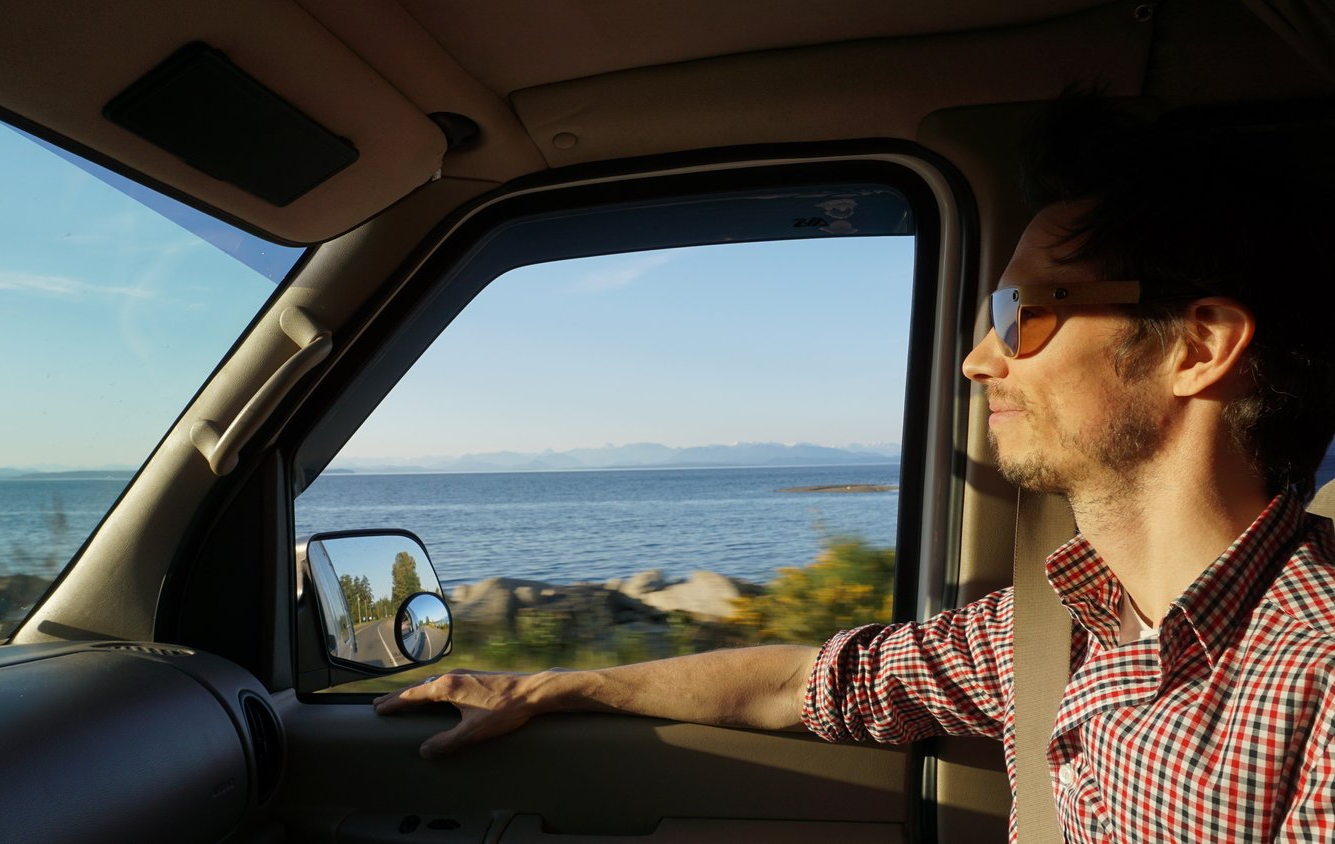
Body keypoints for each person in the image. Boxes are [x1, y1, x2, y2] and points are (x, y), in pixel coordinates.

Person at [375, 93, 1335, 842]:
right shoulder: (1053, 628)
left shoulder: (1317, 679)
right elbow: (802, 682)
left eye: (1023, 313)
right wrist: (555, 686)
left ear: (1198, 346)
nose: (978, 358)